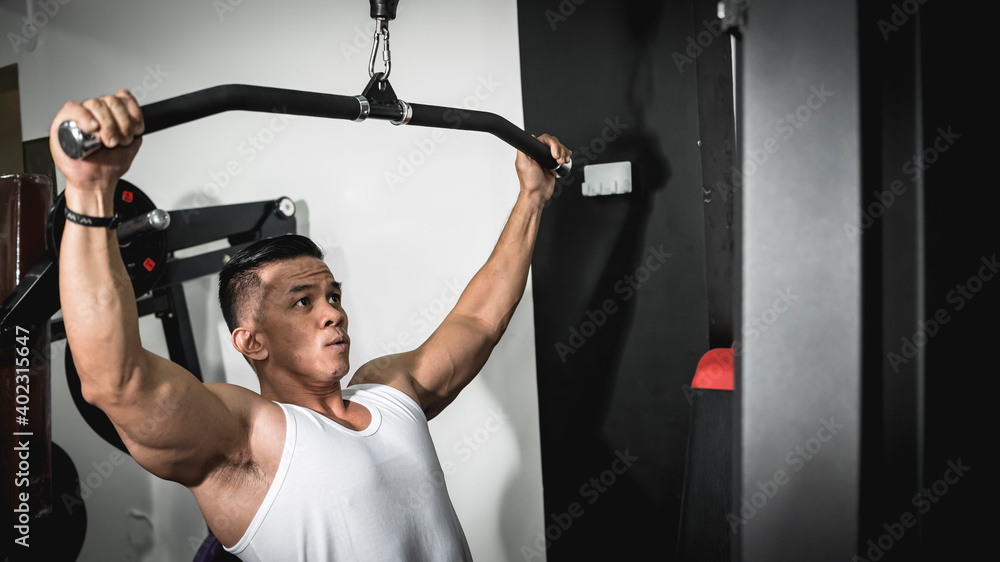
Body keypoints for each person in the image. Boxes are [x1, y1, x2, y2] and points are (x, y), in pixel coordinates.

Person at [50, 88, 571, 561]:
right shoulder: (247, 439)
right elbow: (116, 382)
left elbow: (479, 319)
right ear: (251, 342)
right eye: (303, 302)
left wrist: (531, 197)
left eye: (333, 295)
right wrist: (91, 193)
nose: (334, 312)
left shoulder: (389, 390)